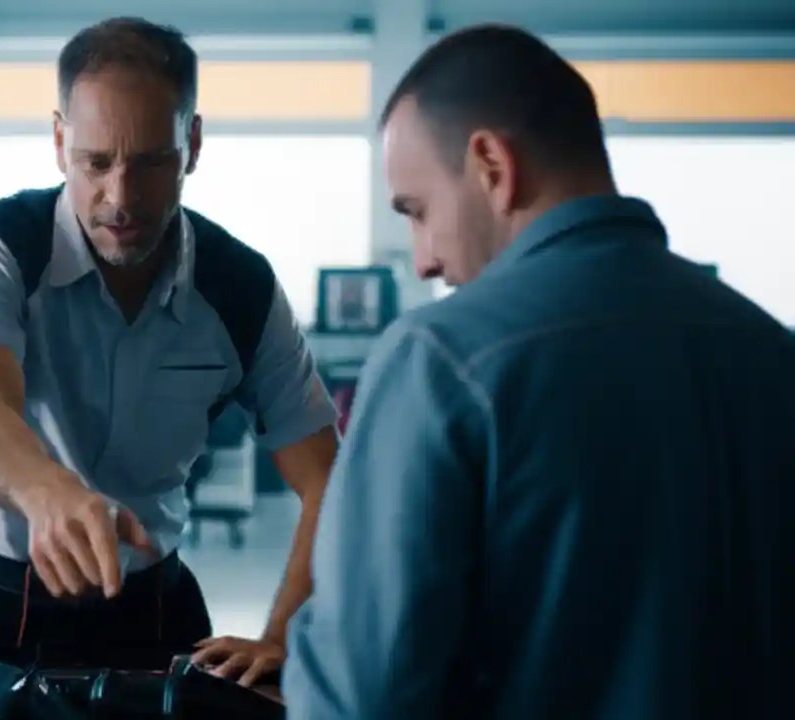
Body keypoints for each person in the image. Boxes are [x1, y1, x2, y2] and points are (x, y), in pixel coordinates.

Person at [282, 24, 795, 719]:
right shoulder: (770, 351)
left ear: (492, 165)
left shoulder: (441, 361)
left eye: (418, 210)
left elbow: (359, 697)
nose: (425, 258)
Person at [0, 17, 339, 686]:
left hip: (158, 608)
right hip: (5, 606)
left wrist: (286, 634)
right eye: (96, 162)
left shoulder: (243, 289)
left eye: (151, 162)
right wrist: (48, 493)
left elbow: (327, 480)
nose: (121, 198)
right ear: (60, 142)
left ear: (193, 144)